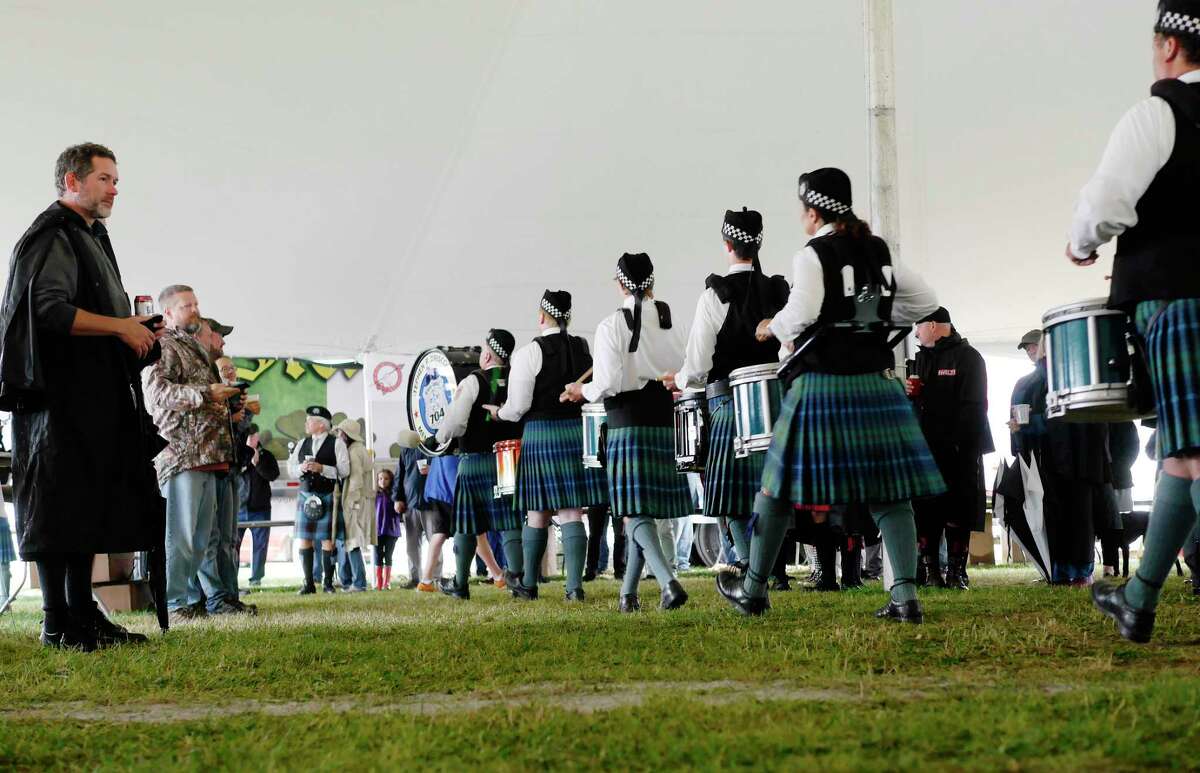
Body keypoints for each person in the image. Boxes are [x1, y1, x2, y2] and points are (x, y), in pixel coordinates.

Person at [716, 167, 942, 621]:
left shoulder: (812, 253)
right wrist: (872, 317)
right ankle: (905, 597)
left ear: (813, 210)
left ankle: (755, 589)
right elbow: (925, 301)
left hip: (822, 386)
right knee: (890, 492)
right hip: (877, 384)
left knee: (775, 489)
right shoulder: (877, 249)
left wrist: (770, 326)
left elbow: (801, 311)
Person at [1069, 1, 1200, 640]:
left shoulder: (1160, 111)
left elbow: (1107, 201)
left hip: (1182, 300)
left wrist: (1083, 241)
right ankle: (1140, 598)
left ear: (1169, 45)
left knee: (1195, 452)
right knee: (1180, 455)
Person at [0, 143, 166, 648]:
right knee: (58, 511)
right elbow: (48, 309)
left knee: (82, 510)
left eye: (116, 180)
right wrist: (119, 326)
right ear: (72, 182)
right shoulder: (52, 235)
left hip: (86, 402)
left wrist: (134, 329)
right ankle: (58, 623)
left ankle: (82, 615)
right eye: (104, 179)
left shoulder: (87, 235)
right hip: (57, 404)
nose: (115, 188)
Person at [563, 253, 691, 612]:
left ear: (619, 283)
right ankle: (628, 595)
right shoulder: (672, 320)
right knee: (642, 514)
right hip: (664, 418)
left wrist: (579, 391)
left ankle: (668, 582)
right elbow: (683, 368)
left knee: (633, 513)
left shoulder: (611, 326)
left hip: (627, 422)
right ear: (652, 282)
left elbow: (603, 384)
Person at [666, 207, 790, 567]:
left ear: (727, 245)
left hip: (728, 403)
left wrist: (680, 379)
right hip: (776, 402)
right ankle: (775, 569)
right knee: (771, 491)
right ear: (759, 242)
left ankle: (755, 568)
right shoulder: (780, 290)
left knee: (734, 498)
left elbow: (698, 365)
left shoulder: (715, 295)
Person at [144, 284, 254, 623]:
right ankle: (175, 603)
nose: (194, 310)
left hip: (207, 455)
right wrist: (207, 393)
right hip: (181, 454)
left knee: (200, 538)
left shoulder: (196, 348)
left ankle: (188, 602)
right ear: (168, 314)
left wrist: (228, 401)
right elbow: (156, 394)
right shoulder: (164, 345)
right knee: (182, 536)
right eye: (185, 306)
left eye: (195, 304)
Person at [493, 291, 608, 601]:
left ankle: (529, 585)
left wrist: (499, 413)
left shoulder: (530, 352)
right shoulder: (583, 347)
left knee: (537, 512)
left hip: (541, 434)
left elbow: (517, 406)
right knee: (572, 512)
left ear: (542, 316)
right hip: (575, 432)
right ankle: (574, 588)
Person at [423, 329, 521, 600]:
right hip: (508, 459)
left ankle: (461, 583)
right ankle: (518, 580)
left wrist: (437, 439)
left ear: (488, 353)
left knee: (466, 523)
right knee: (509, 520)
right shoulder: (518, 379)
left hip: (474, 460)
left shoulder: (473, 381)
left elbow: (455, 423)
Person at [907, 306, 994, 589]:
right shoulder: (918, 360)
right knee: (925, 512)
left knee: (959, 510)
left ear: (932, 325)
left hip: (959, 450)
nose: (916, 332)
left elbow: (976, 406)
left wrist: (960, 444)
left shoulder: (969, 357)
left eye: (918, 326)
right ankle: (931, 571)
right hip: (923, 450)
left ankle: (957, 572)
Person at [288, 406, 350, 594]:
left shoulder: (336, 443)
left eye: (310, 420)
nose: (307, 423)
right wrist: (302, 468)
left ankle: (328, 584)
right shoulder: (301, 443)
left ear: (322, 425)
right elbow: (291, 469)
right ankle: (308, 584)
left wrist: (322, 468)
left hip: (327, 494)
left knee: (327, 540)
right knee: (304, 539)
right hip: (306, 495)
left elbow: (345, 470)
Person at [392, 445, 443, 588]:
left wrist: (432, 470)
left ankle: (436, 578)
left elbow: (445, 468)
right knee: (412, 545)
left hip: (431, 502)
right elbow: (399, 474)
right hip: (410, 503)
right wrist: (397, 498)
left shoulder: (436, 446)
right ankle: (415, 578)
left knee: (435, 542)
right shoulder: (406, 448)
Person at [236, 424, 279, 588]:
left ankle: (256, 579)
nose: (249, 440)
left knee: (260, 545)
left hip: (260, 508)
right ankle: (232, 578)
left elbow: (273, 475)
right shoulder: (238, 455)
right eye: (246, 437)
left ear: (257, 437)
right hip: (239, 507)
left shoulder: (266, 456)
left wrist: (257, 463)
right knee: (234, 545)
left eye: (251, 437)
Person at [335, 418, 374, 593]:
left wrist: (350, 502)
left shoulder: (352, 452)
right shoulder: (360, 449)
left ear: (346, 434)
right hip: (362, 501)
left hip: (355, 501)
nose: (338, 435)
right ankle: (356, 581)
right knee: (353, 541)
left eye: (340, 433)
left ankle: (358, 583)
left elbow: (356, 480)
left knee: (352, 542)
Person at [416, 453, 457, 592]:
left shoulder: (436, 447)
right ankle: (498, 576)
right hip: (448, 491)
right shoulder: (450, 446)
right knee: (471, 532)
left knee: (439, 534)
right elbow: (452, 474)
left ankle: (426, 581)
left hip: (436, 490)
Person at [374, 469, 401, 589]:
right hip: (377, 531)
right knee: (377, 555)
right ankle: (378, 583)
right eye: (380, 478)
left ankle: (387, 582)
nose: (383, 481)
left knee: (388, 555)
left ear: (391, 480)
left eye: (386, 479)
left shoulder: (394, 496)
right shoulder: (375, 495)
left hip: (391, 530)